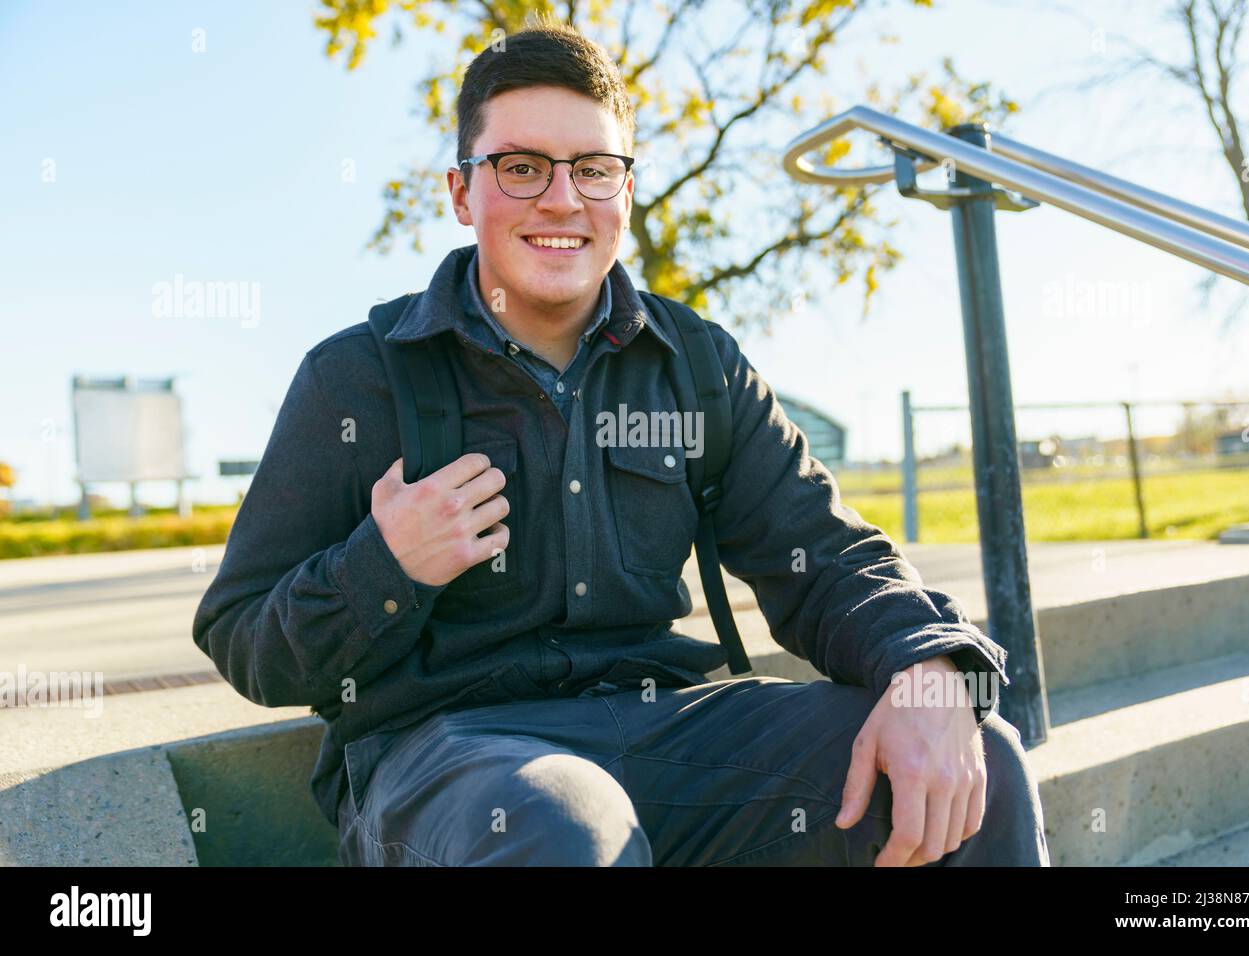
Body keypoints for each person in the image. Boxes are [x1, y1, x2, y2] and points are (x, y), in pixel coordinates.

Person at [193, 17, 1050, 867]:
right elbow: (243, 636)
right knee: (565, 823)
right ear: (461, 193)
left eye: (594, 170)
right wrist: (385, 564)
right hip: (449, 758)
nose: (563, 199)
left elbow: (824, 555)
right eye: (521, 168)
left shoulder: (698, 365)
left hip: (672, 733)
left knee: (989, 760)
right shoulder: (358, 378)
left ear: (625, 193)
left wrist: (931, 666)